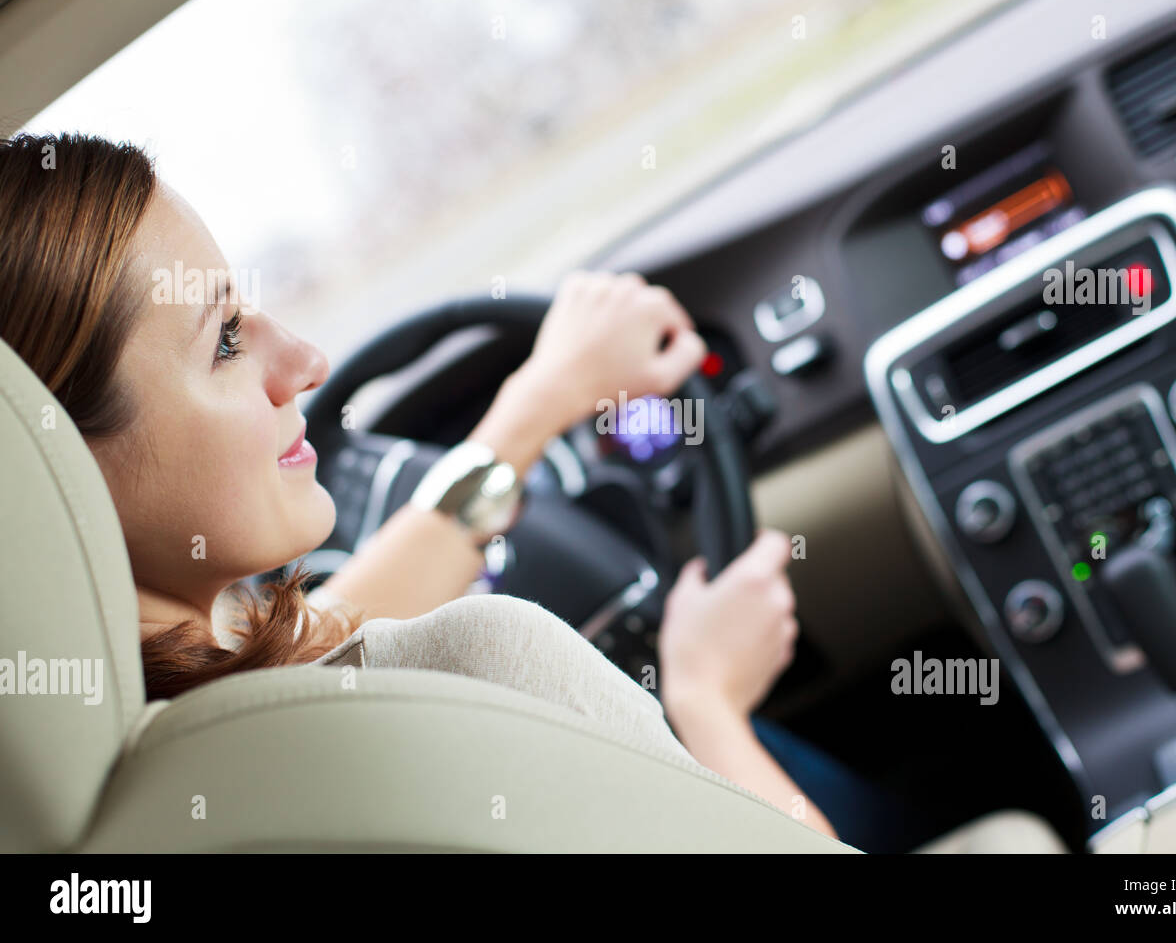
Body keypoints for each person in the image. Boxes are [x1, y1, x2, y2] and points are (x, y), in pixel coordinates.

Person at [0, 131, 910, 850]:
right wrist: (708, 697)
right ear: (59, 468)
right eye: (227, 342)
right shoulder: (485, 664)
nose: (306, 362)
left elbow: (333, 633)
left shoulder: (120, 758)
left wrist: (537, 405)